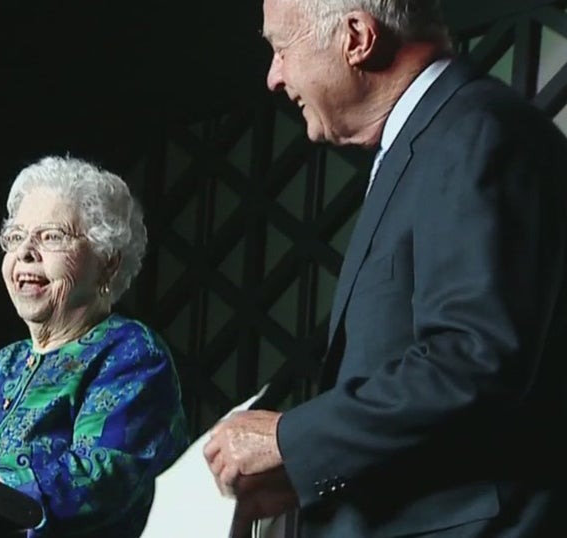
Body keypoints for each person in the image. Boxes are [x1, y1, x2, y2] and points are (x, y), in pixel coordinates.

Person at [203, 0, 567, 536]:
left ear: (357, 38)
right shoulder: (437, 138)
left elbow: (470, 364)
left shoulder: (476, 133)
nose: (274, 77)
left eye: (281, 49)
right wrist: (306, 471)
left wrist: (288, 440)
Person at [0, 155, 190, 537]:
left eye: (51, 236)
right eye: (16, 237)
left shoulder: (131, 353)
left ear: (108, 263)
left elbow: (101, 478)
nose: (25, 252)